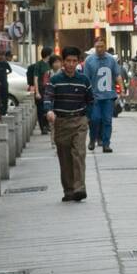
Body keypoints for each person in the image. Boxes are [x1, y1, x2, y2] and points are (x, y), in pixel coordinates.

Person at [44, 46, 94, 202]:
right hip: (61, 122)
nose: (71, 64)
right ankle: (69, 190)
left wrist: (87, 117)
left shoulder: (84, 80)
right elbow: (48, 98)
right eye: (68, 61)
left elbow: (91, 100)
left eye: (74, 61)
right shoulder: (55, 80)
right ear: (63, 61)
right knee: (65, 158)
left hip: (79, 121)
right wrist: (49, 111)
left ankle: (80, 188)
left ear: (78, 62)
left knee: (79, 153)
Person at [85, 36, 121, 153]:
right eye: (97, 47)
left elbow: (117, 75)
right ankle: (92, 139)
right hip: (94, 96)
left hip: (109, 96)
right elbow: (86, 79)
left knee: (107, 120)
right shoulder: (89, 61)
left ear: (105, 46)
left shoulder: (111, 60)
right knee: (95, 119)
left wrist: (122, 88)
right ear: (94, 47)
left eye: (101, 46)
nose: (99, 49)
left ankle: (106, 144)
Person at [28, 47, 52, 135]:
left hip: (49, 90)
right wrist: (37, 92)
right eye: (51, 53)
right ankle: (43, 127)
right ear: (47, 54)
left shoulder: (50, 64)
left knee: (48, 108)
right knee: (41, 109)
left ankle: (47, 125)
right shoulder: (39, 64)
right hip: (41, 89)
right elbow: (35, 79)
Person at [0, 49, 12, 116]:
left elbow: (10, 70)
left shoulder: (5, 63)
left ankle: (4, 111)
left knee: (5, 97)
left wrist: (6, 74)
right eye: (0, 55)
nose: (1, 57)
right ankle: (0, 112)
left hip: (4, 83)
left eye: (2, 55)